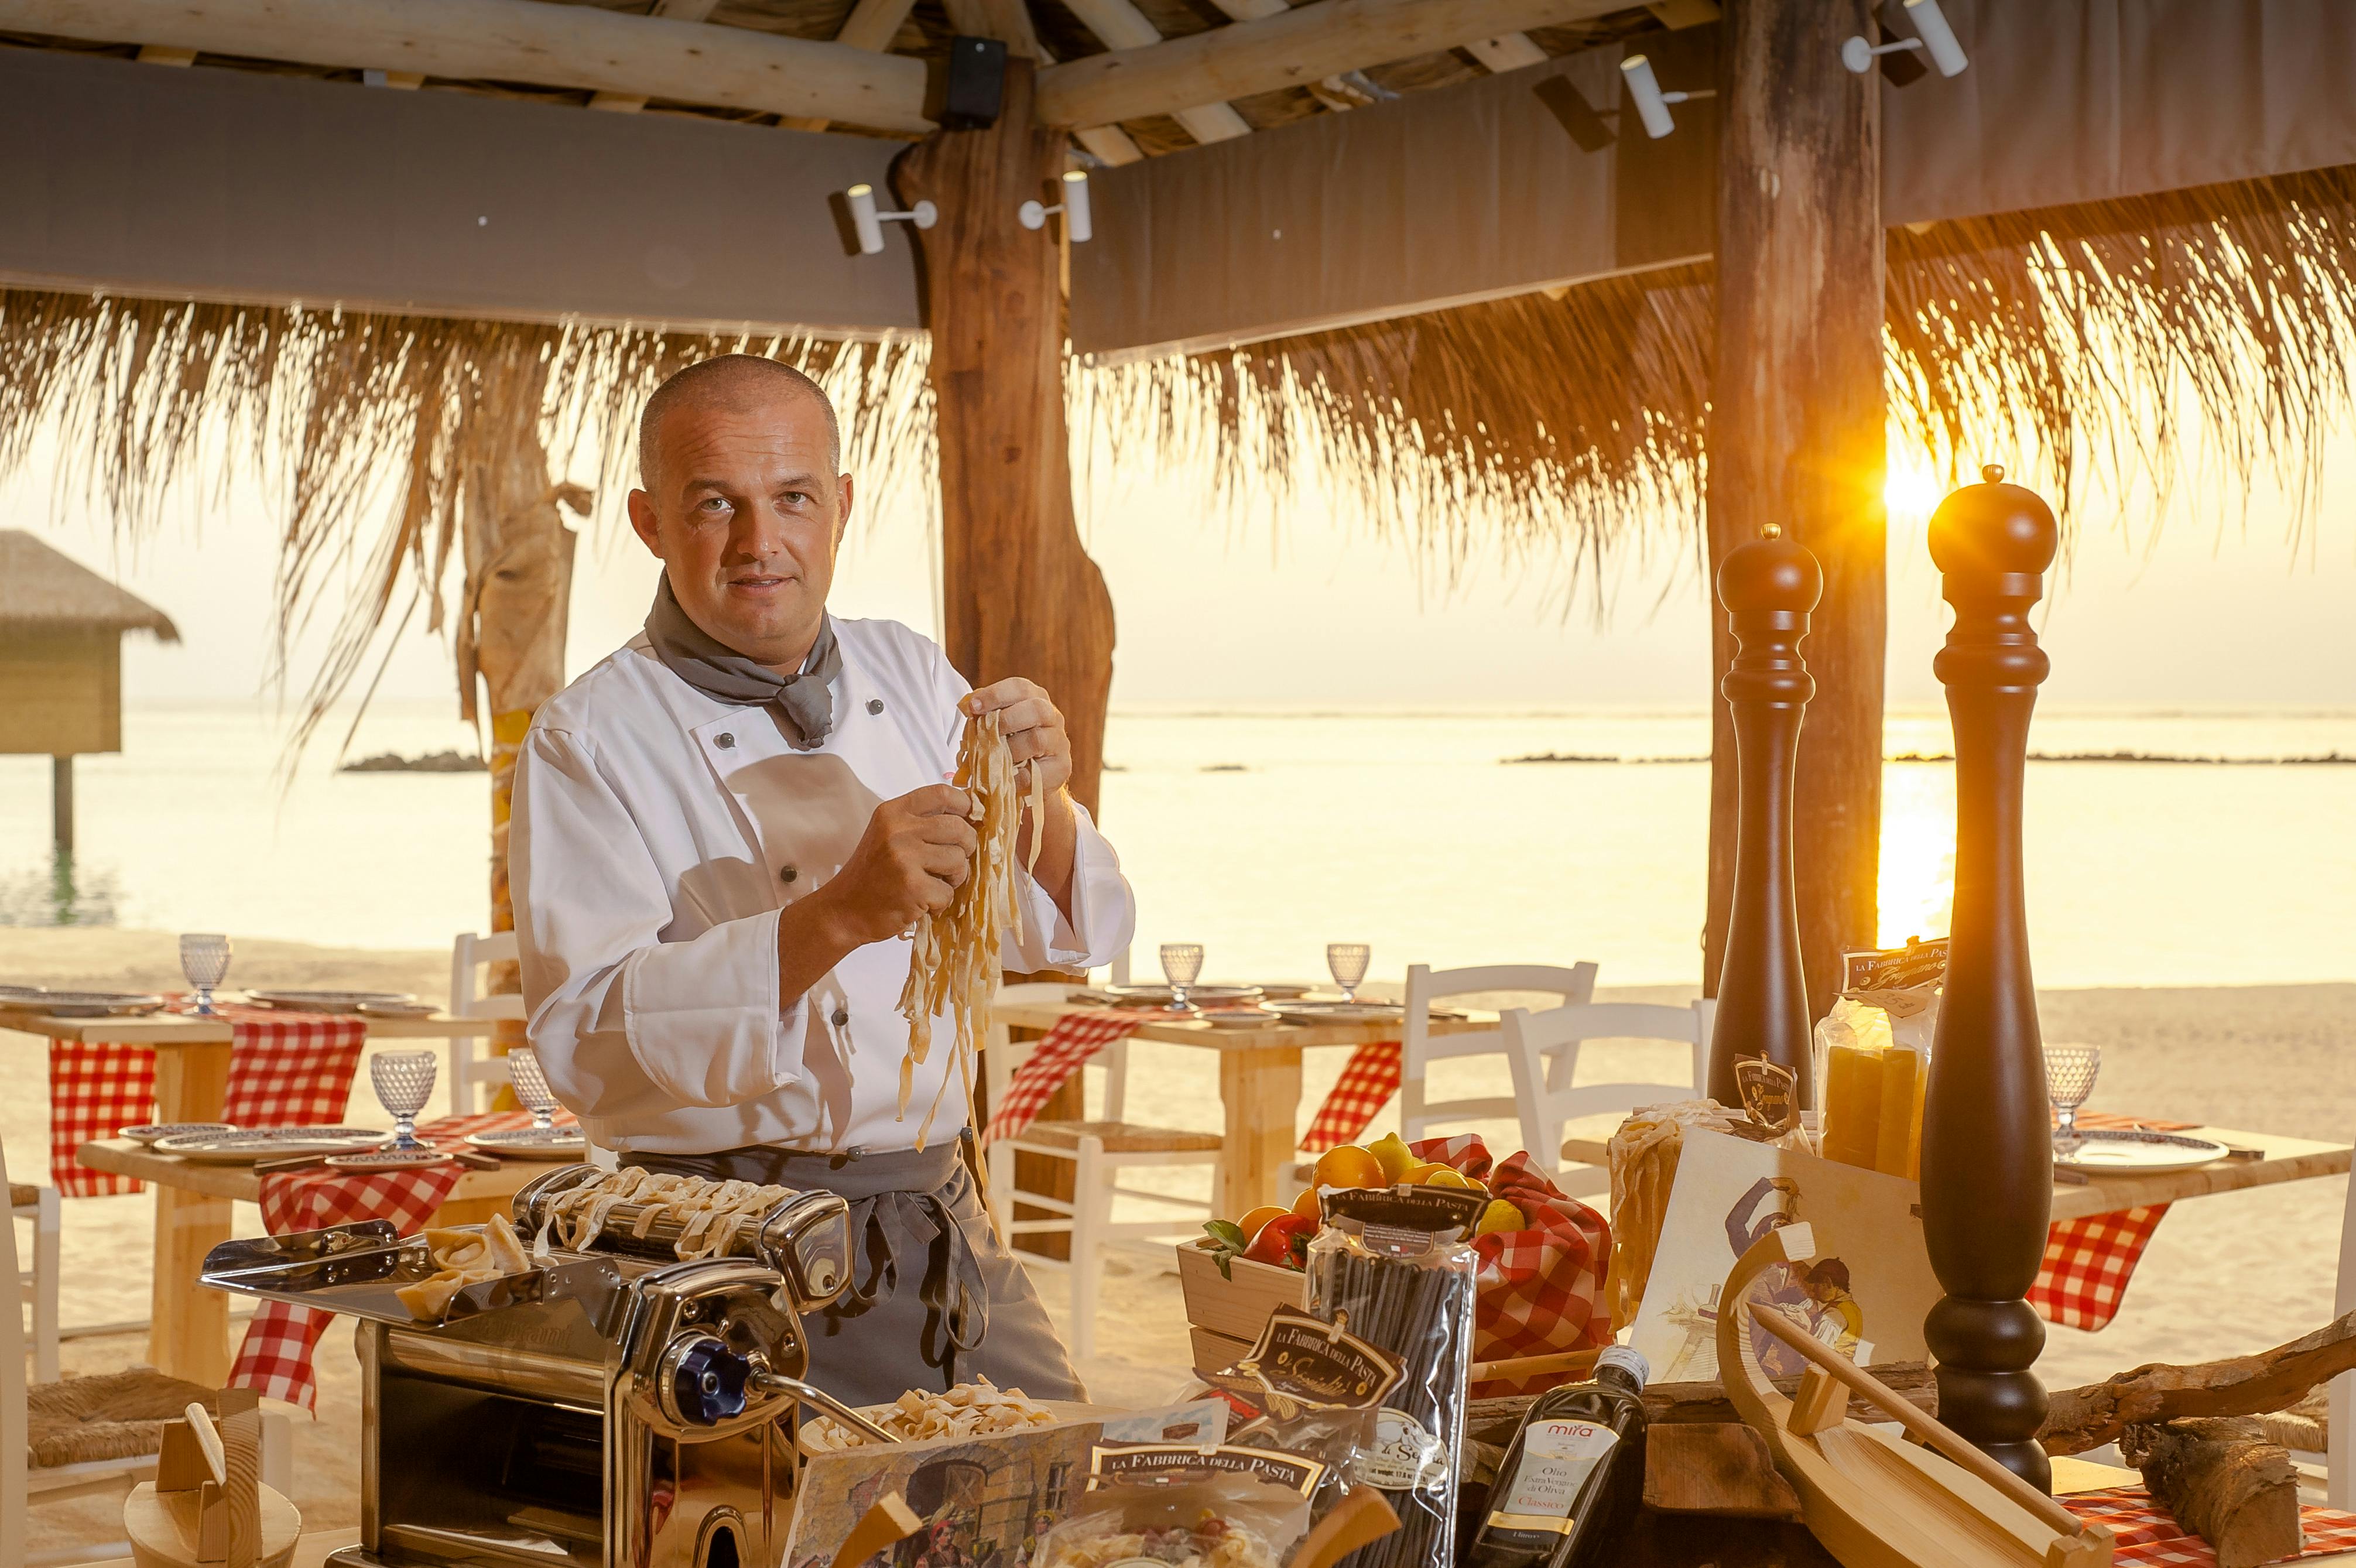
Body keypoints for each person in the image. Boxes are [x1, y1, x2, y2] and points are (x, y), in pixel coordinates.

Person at [511, 354, 1135, 1405]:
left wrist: (1050, 799)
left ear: (840, 505)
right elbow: (586, 1041)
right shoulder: (588, 735)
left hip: (936, 1217)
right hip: (716, 1238)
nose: (762, 543)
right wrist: (838, 915)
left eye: (794, 498)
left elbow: (1052, 936)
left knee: (1053, 1486)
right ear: (649, 522)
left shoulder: (912, 671)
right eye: (717, 505)